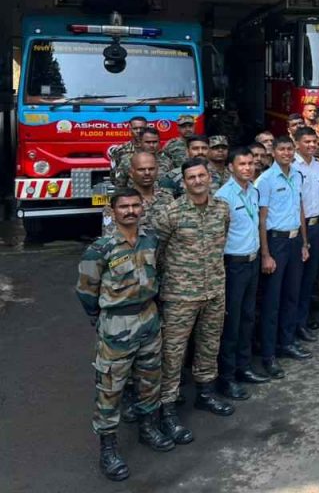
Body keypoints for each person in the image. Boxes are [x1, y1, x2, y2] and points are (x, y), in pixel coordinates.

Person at [78, 190, 172, 481]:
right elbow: (86, 291)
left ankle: (148, 428)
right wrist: (103, 317)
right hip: (117, 325)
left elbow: (159, 274)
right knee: (110, 387)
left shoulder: (151, 241)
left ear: (142, 208)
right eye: (124, 207)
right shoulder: (101, 249)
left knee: (149, 379)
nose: (130, 211)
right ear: (113, 211)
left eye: (135, 205)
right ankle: (108, 449)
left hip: (149, 320)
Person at [152, 158, 234, 446]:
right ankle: (167, 409)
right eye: (191, 177)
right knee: (172, 354)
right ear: (184, 182)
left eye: (202, 176)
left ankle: (205, 393)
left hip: (214, 290)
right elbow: (157, 250)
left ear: (209, 178)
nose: (198, 181)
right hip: (180, 296)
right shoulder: (171, 213)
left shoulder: (222, 208)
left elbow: (222, 240)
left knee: (209, 345)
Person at [214, 148, 269, 402]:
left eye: (250, 163)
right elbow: (218, 237)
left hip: (252, 262)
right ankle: (227, 378)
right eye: (242, 164)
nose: (248, 168)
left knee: (248, 317)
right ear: (231, 167)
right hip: (233, 266)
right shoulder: (223, 197)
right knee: (232, 322)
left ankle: (244, 367)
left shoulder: (253, 191)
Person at [255, 136, 310, 379]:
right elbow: (262, 219)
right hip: (275, 242)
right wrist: (266, 254)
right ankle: (269, 355)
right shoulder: (265, 180)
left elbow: (300, 209)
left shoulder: (297, 175)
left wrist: (304, 242)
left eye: (290, 149)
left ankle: (287, 342)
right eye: (282, 149)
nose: (287, 153)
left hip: (295, 240)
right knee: (272, 301)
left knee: (291, 295)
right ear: (274, 153)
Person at [293, 128, 319, 341]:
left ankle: (303, 320)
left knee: (311, 278)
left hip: (316, 225)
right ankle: (294, 324)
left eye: (314, 141)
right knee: (296, 279)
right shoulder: (292, 167)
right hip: (298, 227)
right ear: (297, 143)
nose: (312, 145)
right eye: (307, 142)